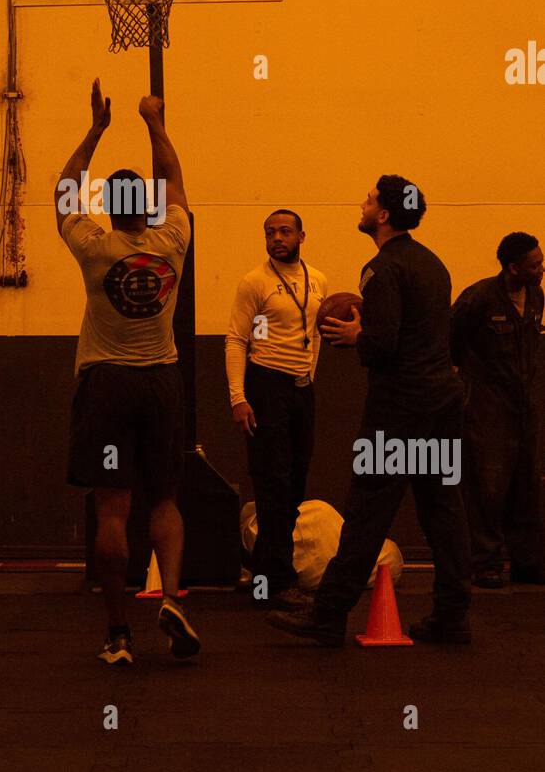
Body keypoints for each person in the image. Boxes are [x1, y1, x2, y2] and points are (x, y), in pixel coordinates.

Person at [269, 175, 472, 646]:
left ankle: (329, 613)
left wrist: (354, 336)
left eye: (369, 201)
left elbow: (383, 344)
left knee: (367, 512)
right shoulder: (434, 264)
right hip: (441, 402)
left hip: (399, 408)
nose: (362, 205)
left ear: (383, 215)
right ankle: (453, 614)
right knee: (444, 507)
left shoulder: (380, 269)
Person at [56, 79, 200, 666]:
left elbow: (65, 192)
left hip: (107, 386)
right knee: (163, 499)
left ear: (110, 209)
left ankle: (117, 633)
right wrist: (153, 121)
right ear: (149, 206)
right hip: (160, 383)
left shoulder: (93, 246)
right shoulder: (174, 238)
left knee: (112, 508)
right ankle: (168, 595)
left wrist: (96, 130)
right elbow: (173, 177)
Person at [225, 210, 328, 610]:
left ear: (303, 234)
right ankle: (277, 580)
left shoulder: (317, 280)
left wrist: (308, 378)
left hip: (301, 390)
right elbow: (236, 340)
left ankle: (265, 576)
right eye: (270, 232)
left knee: (295, 485)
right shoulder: (255, 282)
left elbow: (314, 336)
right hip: (265, 385)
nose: (277, 238)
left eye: (285, 231)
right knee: (273, 485)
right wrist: (239, 397)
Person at [451, 232, 545, 588]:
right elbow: (449, 341)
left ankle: (528, 562)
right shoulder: (478, 298)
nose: (541, 269)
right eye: (534, 265)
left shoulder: (536, 296)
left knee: (527, 484)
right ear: (512, 267)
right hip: (486, 407)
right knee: (485, 487)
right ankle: (485, 562)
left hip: (524, 406)